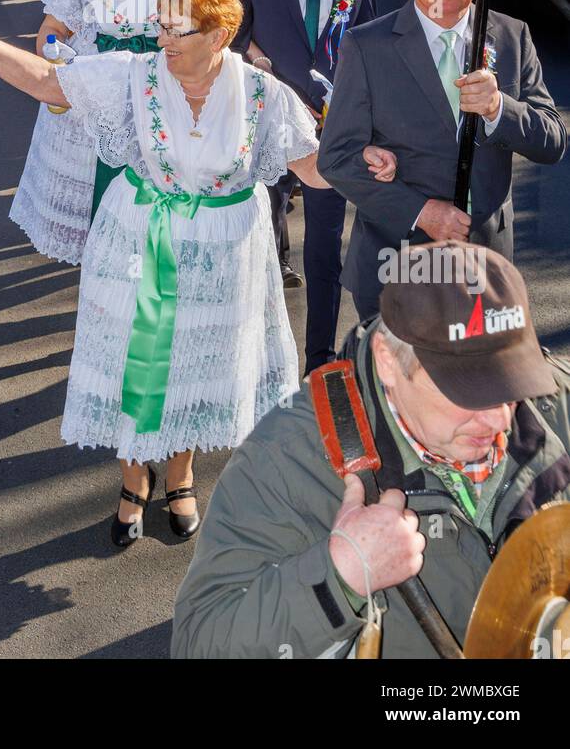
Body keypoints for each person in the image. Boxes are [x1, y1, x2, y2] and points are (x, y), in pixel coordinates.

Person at [0, 0, 330, 546]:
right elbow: (51, 81)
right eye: (160, 25)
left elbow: (315, 169)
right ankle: (132, 483)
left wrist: (368, 150)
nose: (163, 39)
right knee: (134, 363)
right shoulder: (132, 76)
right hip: (136, 243)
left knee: (194, 363)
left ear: (220, 34)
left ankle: (180, 474)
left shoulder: (265, 94)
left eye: (177, 28)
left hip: (223, 259)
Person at [172, 241, 570, 659]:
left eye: (511, 383)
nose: (500, 420)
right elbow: (199, 644)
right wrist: (339, 577)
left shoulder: (556, 395)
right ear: (388, 361)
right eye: (468, 391)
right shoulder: (285, 458)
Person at [318, 0, 566, 321]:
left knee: (481, 383)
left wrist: (498, 108)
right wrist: (424, 212)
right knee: (401, 385)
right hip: (396, 267)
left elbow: (553, 140)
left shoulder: (512, 36)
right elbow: (337, 158)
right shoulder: (368, 47)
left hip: (486, 270)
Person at [10, 0, 218, 266]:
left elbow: (214, 27)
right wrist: (56, 64)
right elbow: (54, 26)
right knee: (103, 185)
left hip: (167, 80)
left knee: (164, 183)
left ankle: (157, 271)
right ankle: (105, 274)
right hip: (102, 79)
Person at [230, 0, 378, 373]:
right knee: (262, 241)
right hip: (268, 129)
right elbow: (231, 39)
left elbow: (372, 46)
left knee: (323, 252)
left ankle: (319, 362)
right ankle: (251, 355)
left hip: (331, 134)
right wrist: (255, 59)